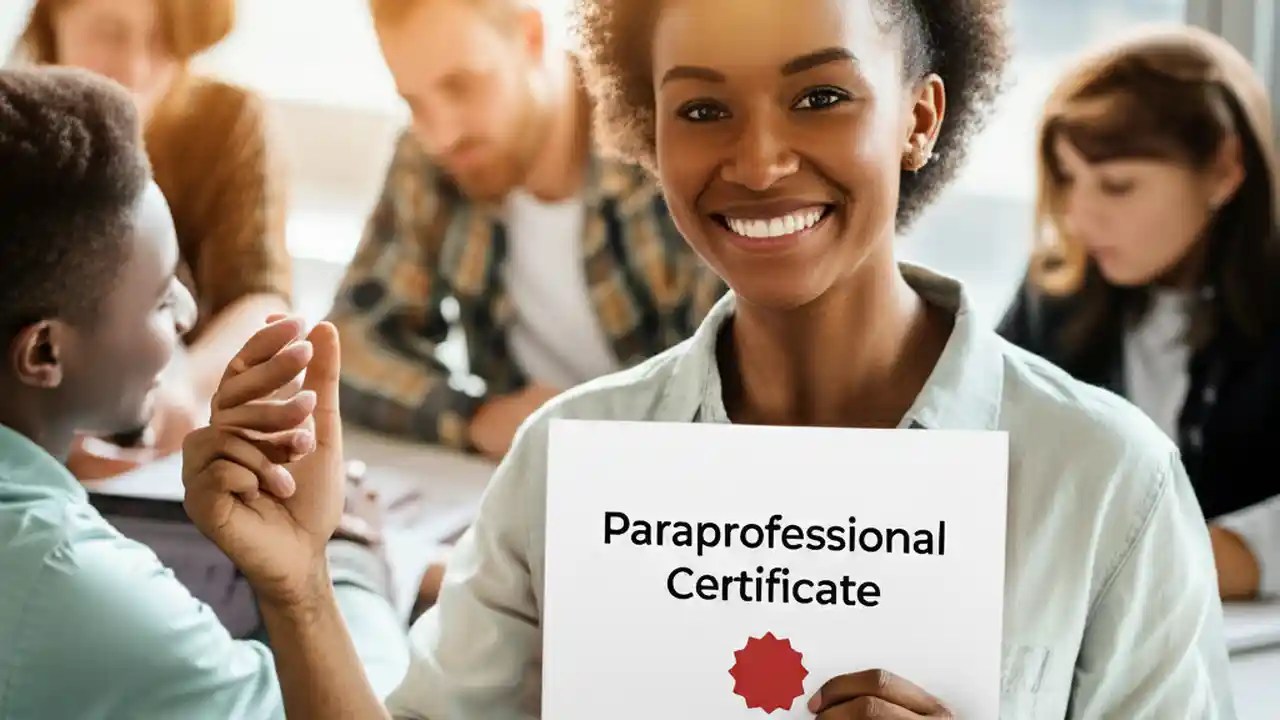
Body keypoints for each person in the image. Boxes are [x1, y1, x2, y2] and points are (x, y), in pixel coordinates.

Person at [183, 0, 1236, 717]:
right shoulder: (567, 458)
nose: (759, 161)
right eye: (700, 110)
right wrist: (300, 589)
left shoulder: (1107, 482)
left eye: (820, 97)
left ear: (918, 118)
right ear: (647, 133)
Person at [0, 67, 407, 718]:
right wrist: (335, 569)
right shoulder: (65, 579)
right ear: (45, 352)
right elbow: (356, 705)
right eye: (160, 299)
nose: (188, 314)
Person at [330, 0, 724, 461]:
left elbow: (737, 386)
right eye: (413, 102)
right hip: (530, 478)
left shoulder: (665, 146)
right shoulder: (432, 161)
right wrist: (476, 417)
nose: (441, 134)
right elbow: (348, 345)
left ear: (531, 37)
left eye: (461, 86)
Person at [999, 26, 1280, 601]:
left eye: (1117, 186)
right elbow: (985, 443)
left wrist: (1229, 553)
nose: (1078, 217)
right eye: (1068, 179)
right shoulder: (1057, 290)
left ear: (1224, 169)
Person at [19, 0, 292, 473]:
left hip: (164, 452)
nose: (135, 69)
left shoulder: (227, 121)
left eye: (163, 43)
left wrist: (176, 388)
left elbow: (259, 299)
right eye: (109, 34)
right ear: (52, 18)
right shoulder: (13, 136)